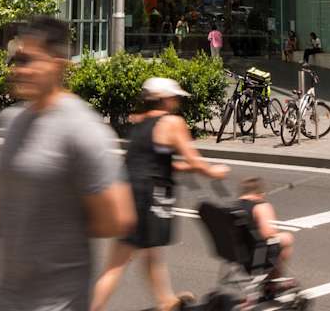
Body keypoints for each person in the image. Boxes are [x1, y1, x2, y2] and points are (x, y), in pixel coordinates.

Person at [0, 16, 133, 311]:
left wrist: (60, 221)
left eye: (28, 60)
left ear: (59, 64)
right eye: (16, 59)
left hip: (57, 302)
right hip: (2, 297)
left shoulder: (83, 129)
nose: (18, 70)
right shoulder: (12, 121)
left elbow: (118, 218)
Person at [91, 77, 229, 311]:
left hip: (129, 190)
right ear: (164, 99)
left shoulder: (140, 122)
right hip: (147, 196)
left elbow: (157, 162)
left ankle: (165, 300)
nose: (176, 102)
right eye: (174, 97)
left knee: (151, 251)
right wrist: (214, 171)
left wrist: (186, 168)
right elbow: (194, 160)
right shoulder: (172, 123)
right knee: (118, 262)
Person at [238, 176, 294, 291]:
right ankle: (272, 282)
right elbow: (268, 234)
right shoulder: (261, 206)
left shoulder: (231, 207)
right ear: (261, 193)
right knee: (287, 238)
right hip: (255, 257)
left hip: (235, 255)